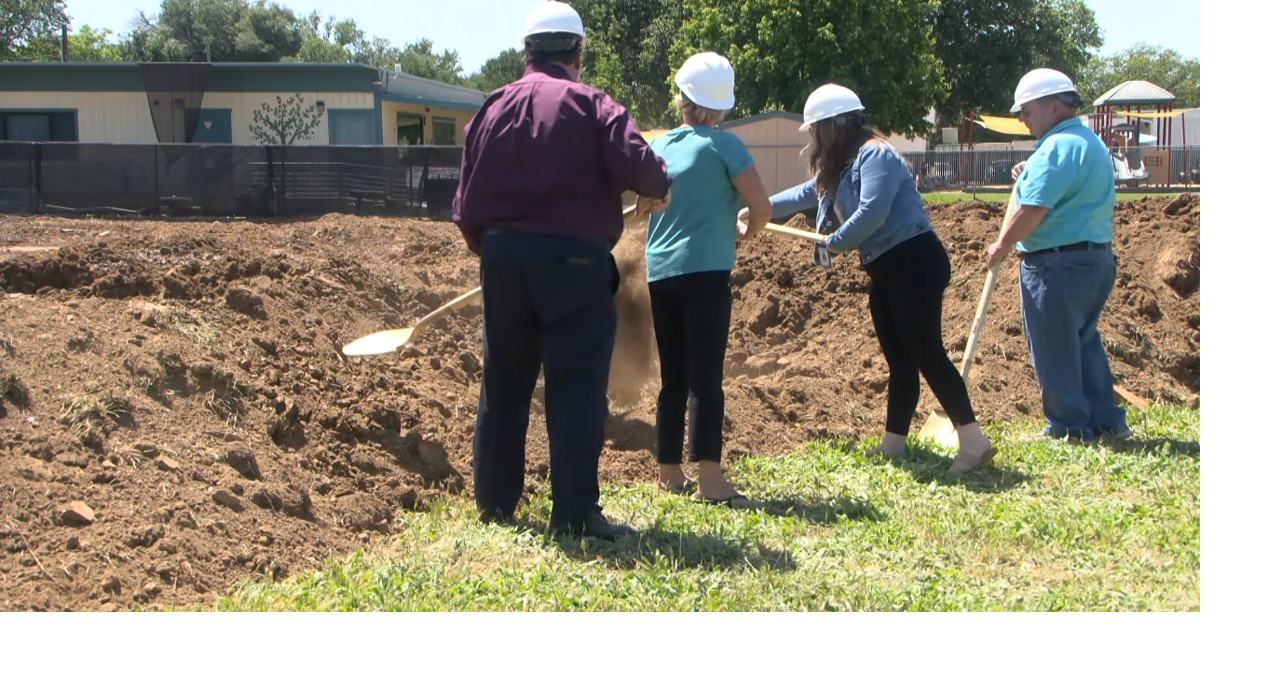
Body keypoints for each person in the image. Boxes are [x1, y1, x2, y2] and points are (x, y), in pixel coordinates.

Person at [452, 1, 672, 539]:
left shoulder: (492, 108)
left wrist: (501, 251)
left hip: (502, 259)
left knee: (503, 382)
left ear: (526, 52)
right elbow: (648, 173)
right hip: (574, 262)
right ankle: (573, 513)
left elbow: (464, 206)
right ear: (577, 52)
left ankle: (495, 506)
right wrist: (653, 188)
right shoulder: (594, 105)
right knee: (575, 385)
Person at [742, 84, 995, 475]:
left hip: (914, 262)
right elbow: (803, 195)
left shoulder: (877, 155)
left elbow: (872, 211)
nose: (812, 138)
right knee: (900, 359)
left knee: (927, 353)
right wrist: (757, 209)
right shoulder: (841, 167)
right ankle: (893, 443)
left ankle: (974, 440)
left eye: (815, 130)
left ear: (833, 127)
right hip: (886, 268)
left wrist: (833, 243)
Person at [642, 52, 772, 508]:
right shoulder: (724, 145)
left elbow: (646, 203)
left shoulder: (657, 147)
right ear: (720, 107)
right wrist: (746, 229)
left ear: (682, 98)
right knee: (705, 375)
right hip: (705, 272)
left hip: (660, 272)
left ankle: (669, 472)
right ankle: (711, 481)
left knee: (673, 374)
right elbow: (763, 209)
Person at [987, 68, 1130, 444]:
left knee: (1054, 349)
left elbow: (1033, 208)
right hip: (1094, 261)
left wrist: (1002, 244)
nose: (1022, 119)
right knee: (1083, 342)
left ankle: (1068, 428)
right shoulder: (1088, 142)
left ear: (1053, 107)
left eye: (1027, 111)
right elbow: (1061, 186)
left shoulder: (1057, 147)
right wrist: (1029, 169)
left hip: (1056, 265)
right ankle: (1105, 421)